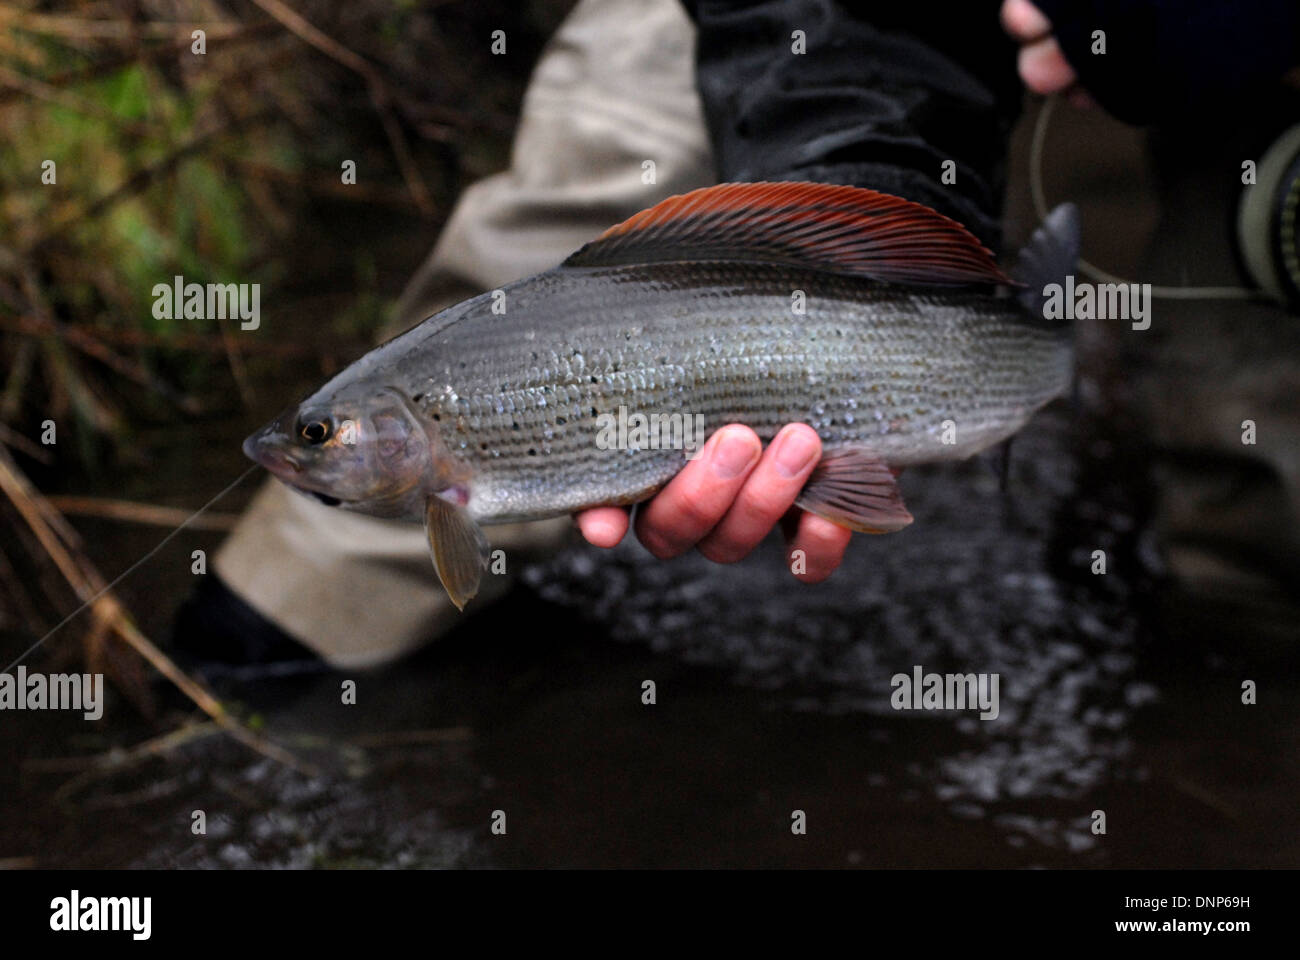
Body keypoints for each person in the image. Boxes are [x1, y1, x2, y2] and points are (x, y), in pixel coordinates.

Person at [175, 0, 1300, 673]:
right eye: (322, 438)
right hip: (816, 16)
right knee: (583, 208)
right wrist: (849, 212)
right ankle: (273, 641)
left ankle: (1226, 684)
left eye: (322, 438)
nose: (309, 443)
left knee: (1253, 457)